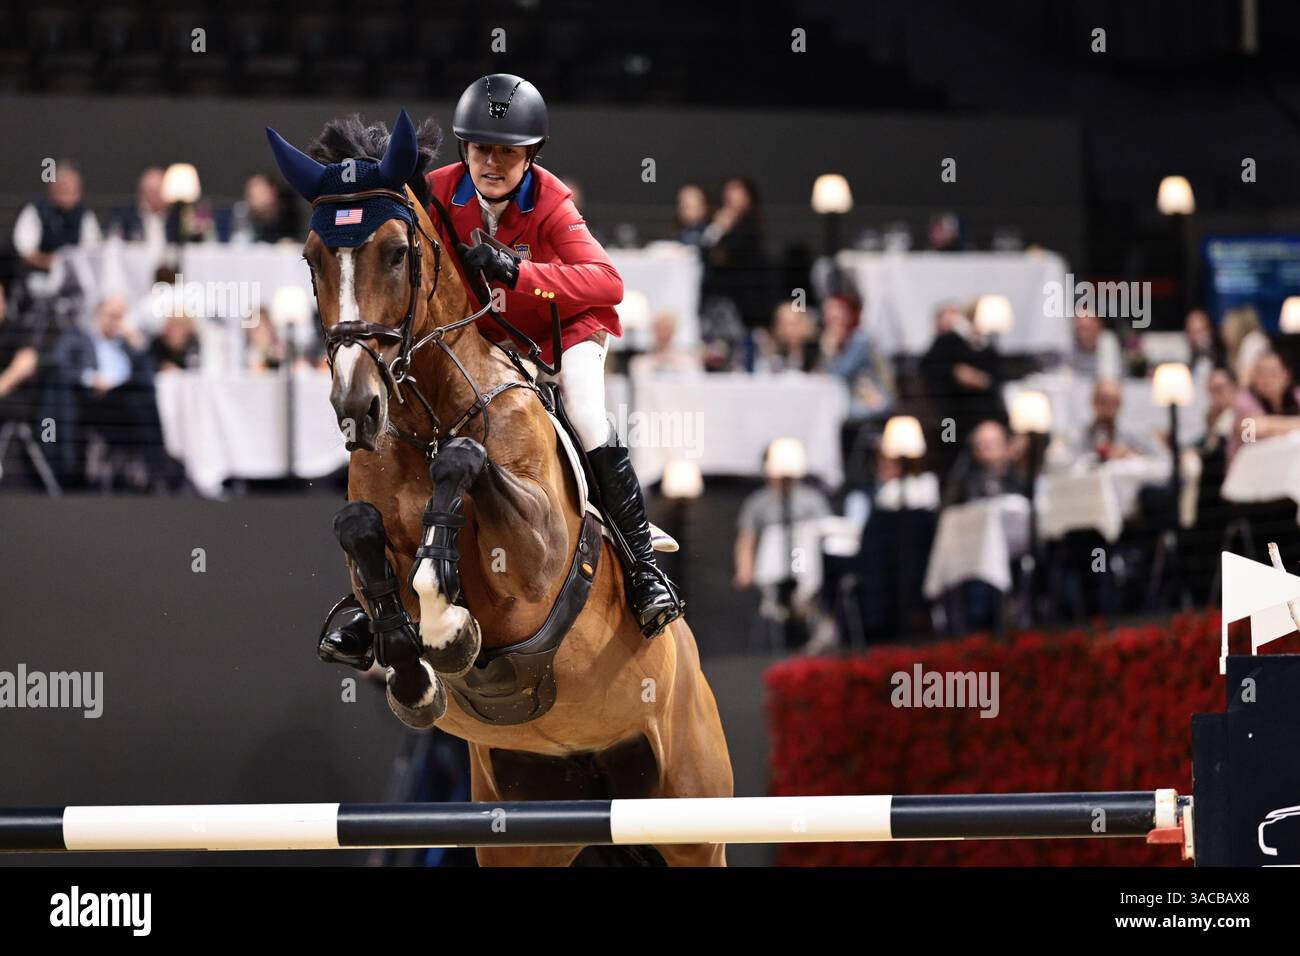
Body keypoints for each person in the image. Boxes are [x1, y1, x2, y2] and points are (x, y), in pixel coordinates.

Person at [425, 73, 682, 636]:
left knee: (585, 411)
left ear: (530, 156)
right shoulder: (439, 191)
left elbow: (608, 283)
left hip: (565, 333)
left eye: (508, 153)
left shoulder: (551, 202)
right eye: (480, 149)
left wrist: (519, 272)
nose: (491, 163)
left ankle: (644, 569)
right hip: (491, 339)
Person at [12, 159, 101, 273]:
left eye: (72, 188)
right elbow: (25, 252)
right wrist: (53, 262)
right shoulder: (36, 211)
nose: (68, 191)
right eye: (63, 187)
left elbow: (91, 251)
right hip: (39, 275)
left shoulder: (84, 215)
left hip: (75, 276)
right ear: (53, 187)